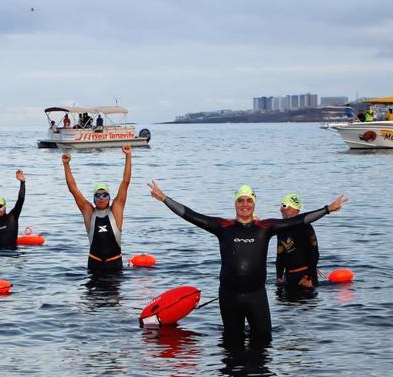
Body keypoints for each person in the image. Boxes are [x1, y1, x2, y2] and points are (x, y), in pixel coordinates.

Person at [149, 181, 345, 342]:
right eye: (240, 200)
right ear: (235, 204)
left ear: (254, 203)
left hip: (256, 296)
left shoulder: (265, 227)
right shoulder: (223, 227)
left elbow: (300, 220)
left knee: (263, 342)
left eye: (248, 200)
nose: (244, 204)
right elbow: (191, 215)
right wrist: (164, 198)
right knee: (232, 343)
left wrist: (327, 209)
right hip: (229, 296)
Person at [63, 145, 132, 274]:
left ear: (109, 198)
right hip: (94, 265)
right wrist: (66, 164)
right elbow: (73, 189)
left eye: (104, 195)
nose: (101, 198)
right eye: (98, 195)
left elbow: (125, 182)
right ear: (94, 199)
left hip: (114, 265)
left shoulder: (116, 209)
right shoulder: (89, 212)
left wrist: (128, 156)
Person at [275, 193, 320, 293]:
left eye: (284, 206)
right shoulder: (281, 229)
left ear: (295, 209)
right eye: (281, 206)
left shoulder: (306, 227)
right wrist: (278, 276)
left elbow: (315, 253)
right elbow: (280, 255)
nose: (281, 209)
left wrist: (308, 277)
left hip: (305, 276)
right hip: (288, 277)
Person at [0, 170, 27, 249]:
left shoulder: (12, 217)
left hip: (11, 255)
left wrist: (22, 183)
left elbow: (21, 200)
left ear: (5, 207)